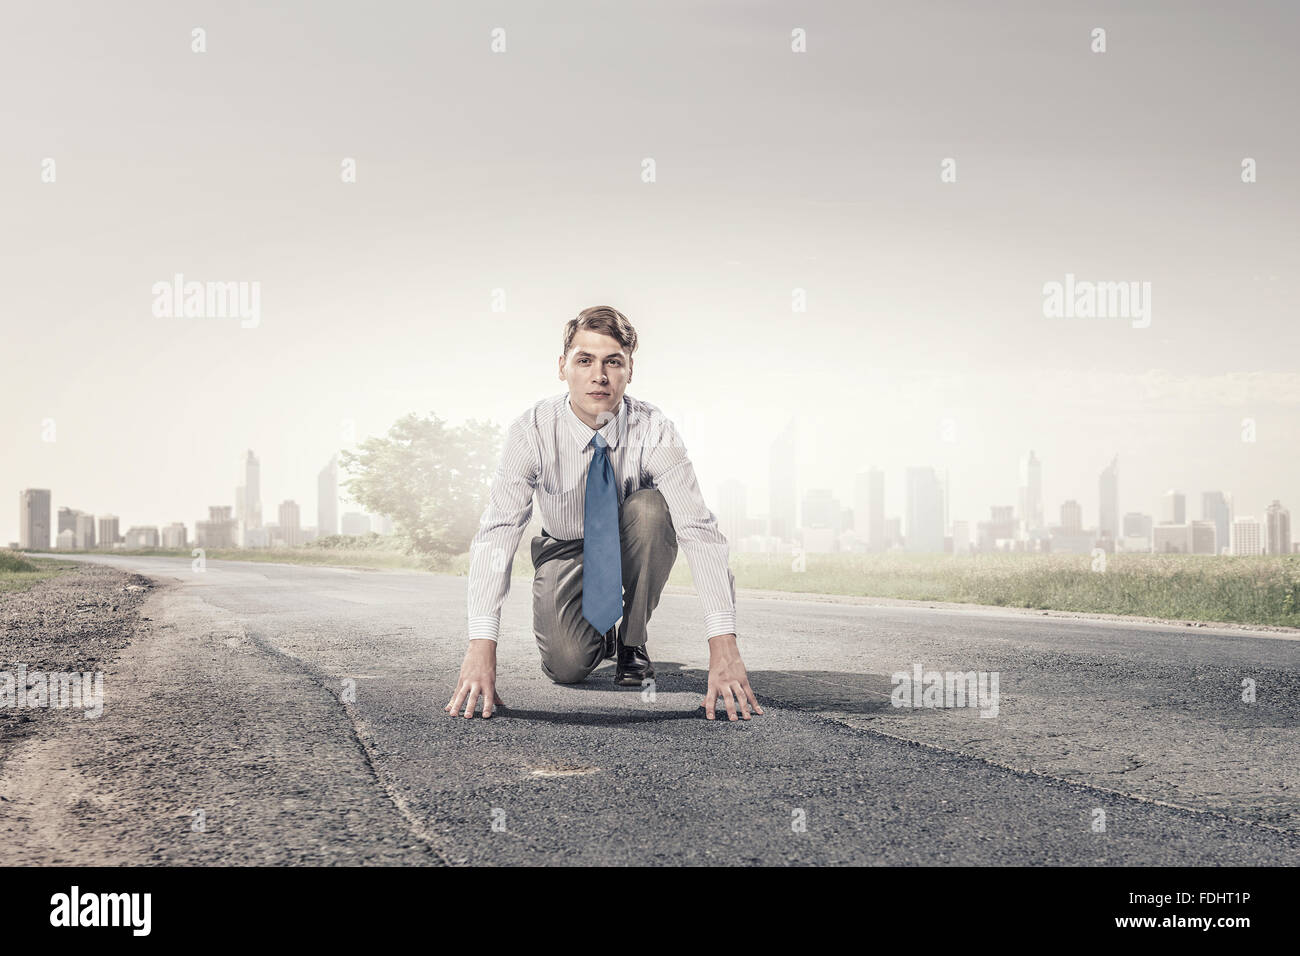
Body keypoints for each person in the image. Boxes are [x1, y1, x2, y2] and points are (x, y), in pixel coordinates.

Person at [445, 306, 763, 723]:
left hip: (631, 536)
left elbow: (698, 530)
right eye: (585, 360)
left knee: (652, 509)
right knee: (568, 667)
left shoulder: (655, 429)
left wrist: (724, 646)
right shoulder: (531, 431)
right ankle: (598, 634)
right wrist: (480, 646)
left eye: (613, 361)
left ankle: (631, 640)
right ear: (562, 367)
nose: (600, 375)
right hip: (565, 549)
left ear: (630, 370)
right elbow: (499, 531)